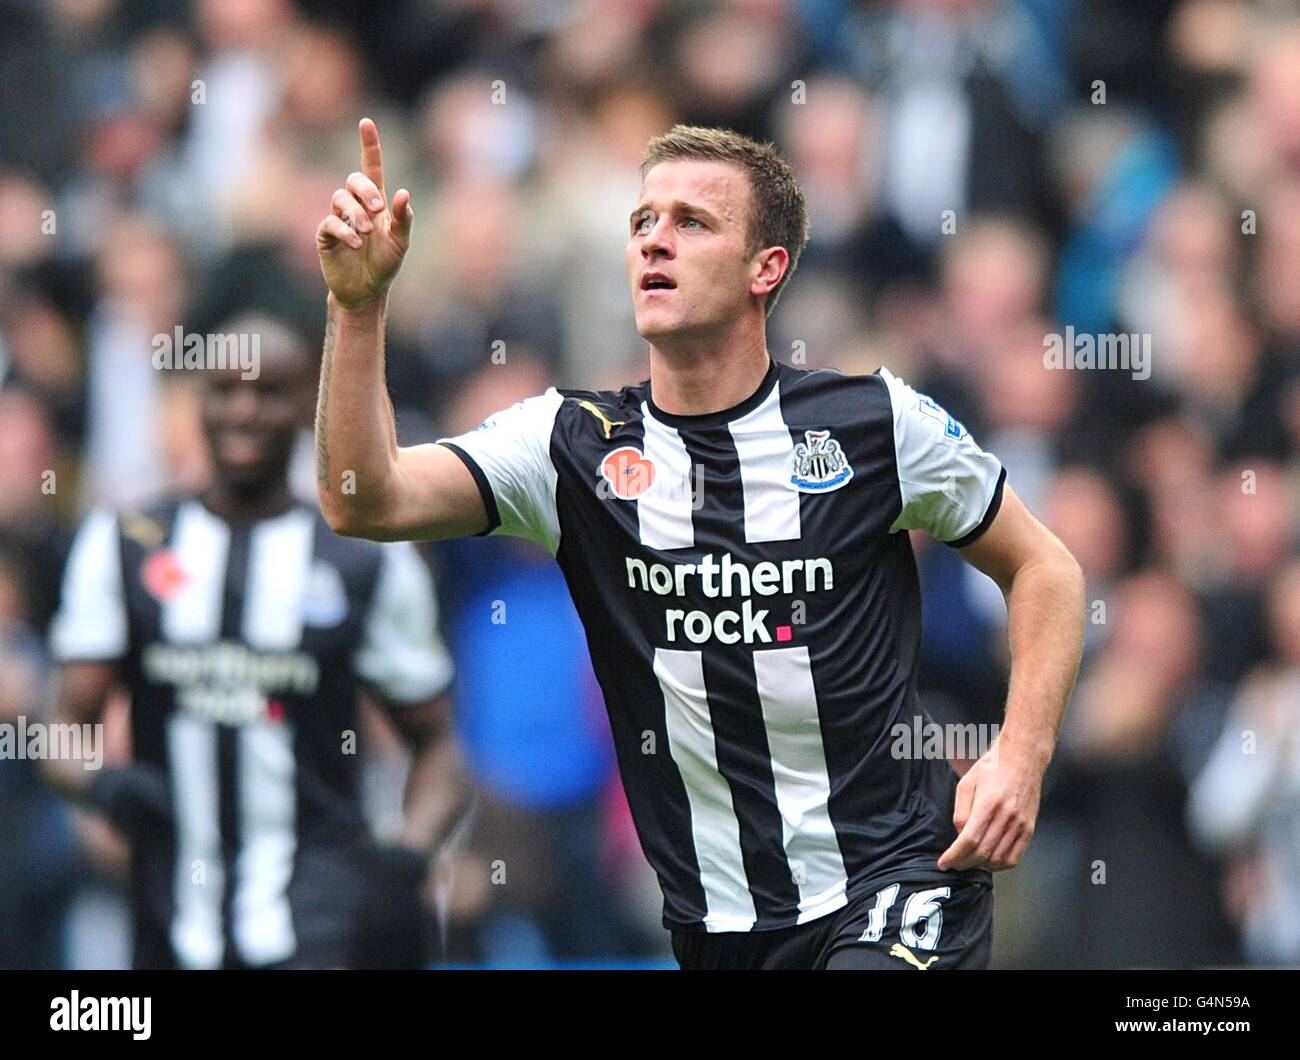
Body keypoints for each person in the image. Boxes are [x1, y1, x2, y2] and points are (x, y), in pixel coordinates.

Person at [313, 119, 1086, 970]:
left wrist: (1021, 754)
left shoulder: (873, 423)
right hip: (718, 925)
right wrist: (358, 307)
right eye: (643, 221)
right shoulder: (570, 445)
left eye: (691, 222)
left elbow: (1044, 565)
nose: (655, 242)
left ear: (767, 269)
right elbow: (362, 498)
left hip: (894, 878)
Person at [44, 314, 466, 970]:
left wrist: (403, 862)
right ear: (197, 402)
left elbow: (436, 743)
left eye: (269, 392)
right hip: (170, 914)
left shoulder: (366, 561)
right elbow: (61, 729)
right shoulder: (123, 544)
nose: (244, 411)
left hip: (320, 920)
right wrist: (105, 788)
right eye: (224, 388)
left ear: (307, 407)